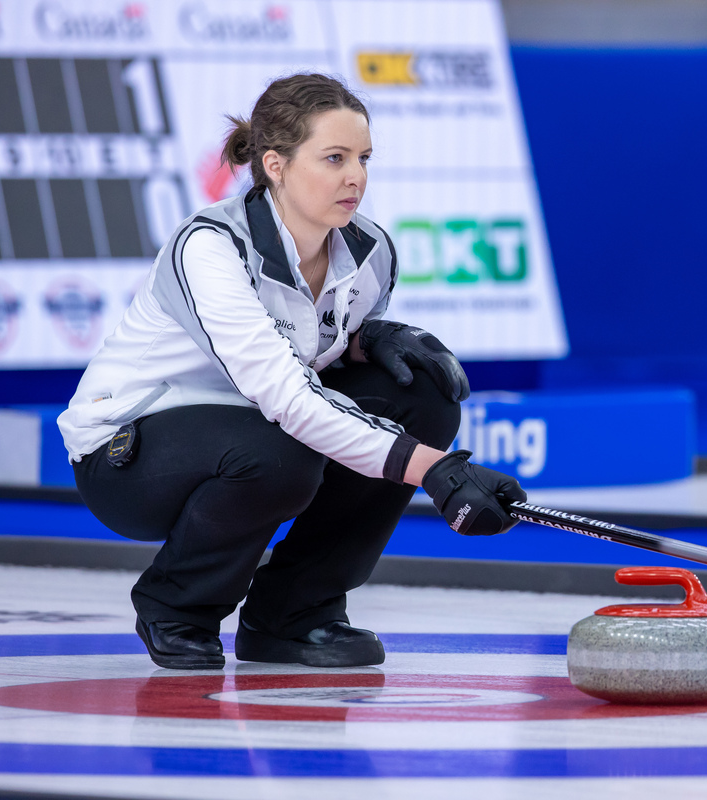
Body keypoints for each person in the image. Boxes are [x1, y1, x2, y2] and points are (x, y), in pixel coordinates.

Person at [57, 73, 526, 671]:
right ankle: (177, 606)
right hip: (128, 455)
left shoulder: (371, 250)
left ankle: (294, 613)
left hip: (257, 426)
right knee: (282, 450)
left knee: (421, 396)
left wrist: (365, 342)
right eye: (334, 158)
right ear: (275, 165)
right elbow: (285, 394)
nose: (355, 177)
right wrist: (435, 470)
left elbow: (313, 352)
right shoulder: (210, 247)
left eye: (363, 158)